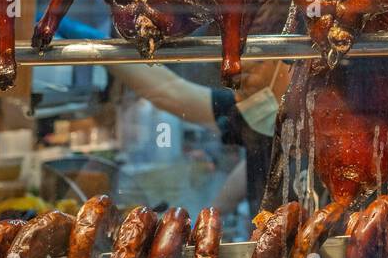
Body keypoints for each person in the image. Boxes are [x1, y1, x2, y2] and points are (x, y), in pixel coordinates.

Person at [106, 58, 288, 215]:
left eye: (251, 72)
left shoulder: (308, 112)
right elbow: (260, 158)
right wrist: (212, 214)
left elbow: (171, 94)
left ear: (285, 64)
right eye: (238, 88)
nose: (239, 95)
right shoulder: (252, 105)